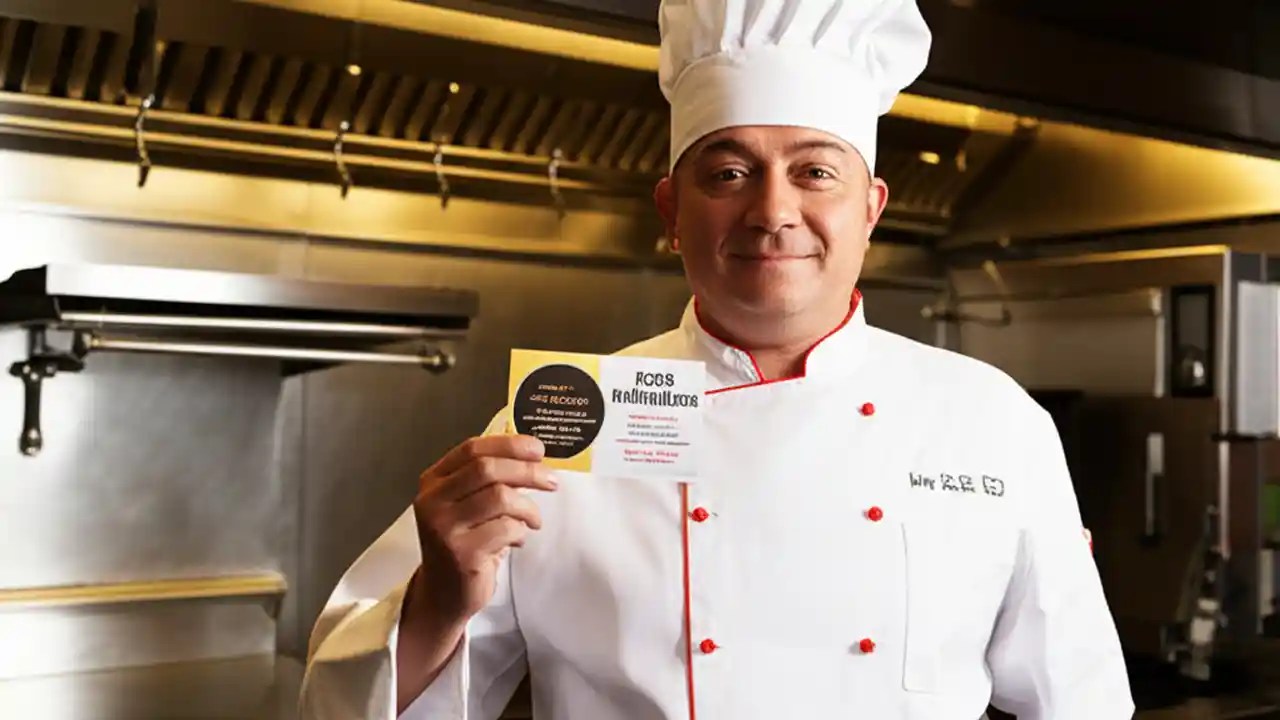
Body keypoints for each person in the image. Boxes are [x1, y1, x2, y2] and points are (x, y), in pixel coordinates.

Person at [298, 0, 1136, 717]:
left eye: (816, 171)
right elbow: (350, 705)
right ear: (671, 209)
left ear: (872, 207)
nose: (774, 212)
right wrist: (442, 592)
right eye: (729, 172)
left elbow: (1083, 702)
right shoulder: (565, 419)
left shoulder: (990, 420)